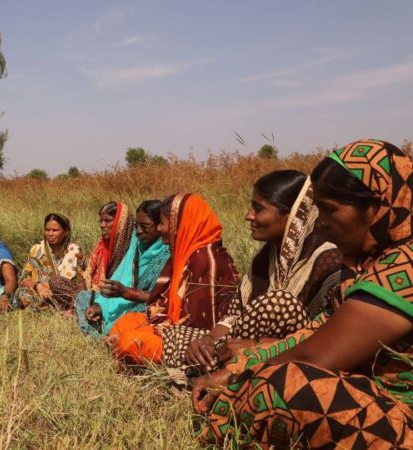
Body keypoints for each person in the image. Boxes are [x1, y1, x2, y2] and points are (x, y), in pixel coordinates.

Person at [193, 140, 413, 447]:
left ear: (377, 209)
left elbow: (317, 356)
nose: (320, 222)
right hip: (376, 399)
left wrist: (238, 382)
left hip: (403, 419)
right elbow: (313, 333)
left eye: (331, 209)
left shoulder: (405, 266)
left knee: (286, 384)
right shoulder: (368, 266)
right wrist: (237, 367)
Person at [184, 171, 342, 374]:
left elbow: (333, 335)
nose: (248, 215)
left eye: (258, 209)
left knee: (277, 303)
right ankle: (216, 365)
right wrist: (208, 340)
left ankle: (226, 372)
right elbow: (235, 315)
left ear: (293, 215)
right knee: (178, 337)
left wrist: (262, 346)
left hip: (299, 357)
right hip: (243, 344)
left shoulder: (328, 260)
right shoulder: (265, 256)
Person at [106, 193, 239, 366]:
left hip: (190, 339)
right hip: (169, 325)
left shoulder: (206, 260)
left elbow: (195, 327)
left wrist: (146, 330)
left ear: (180, 224)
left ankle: (126, 353)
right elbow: (162, 305)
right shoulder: (182, 253)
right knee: (126, 322)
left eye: (162, 222)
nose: (160, 228)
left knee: (130, 341)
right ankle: (124, 351)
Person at [75, 201, 171, 337]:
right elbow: (121, 278)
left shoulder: (168, 254)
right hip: (121, 299)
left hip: (145, 306)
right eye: (137, 226)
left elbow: (160, 298)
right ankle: (105, 326)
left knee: (138, 319)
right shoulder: (136, 244)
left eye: (145, 226)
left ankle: (113, 332)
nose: (138, 231)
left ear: (160, 226)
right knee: (84, 297)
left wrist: (126, 293)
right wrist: (101, 306)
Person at [15, 213, 85, 310]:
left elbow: (81, 282)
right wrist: (38, 285)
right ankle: (50, 308)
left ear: (66, 232)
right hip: (40, 292)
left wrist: (57, 287)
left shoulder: (74, 251)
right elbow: (24, 280)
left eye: (55, 230)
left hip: (63, 294)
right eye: (47, 230)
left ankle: (56, 307)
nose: (50, 234)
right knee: (24, 293)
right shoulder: (36, 249)